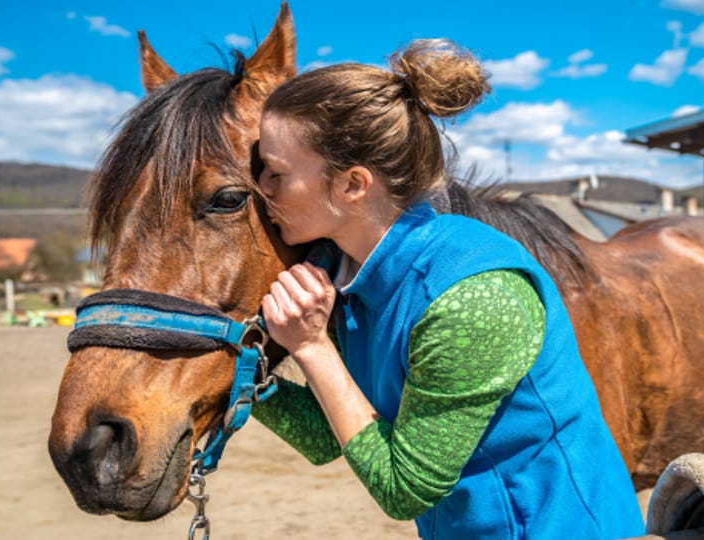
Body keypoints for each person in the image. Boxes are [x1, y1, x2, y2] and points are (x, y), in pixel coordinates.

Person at [251, 38, 645, 539]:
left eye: (276, 172)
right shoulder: (351, 276)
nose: (260, 187)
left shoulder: (471, 296)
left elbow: (403, 488)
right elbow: (327, 434)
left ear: (352, 185)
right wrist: (230, 358)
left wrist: (311, 347)